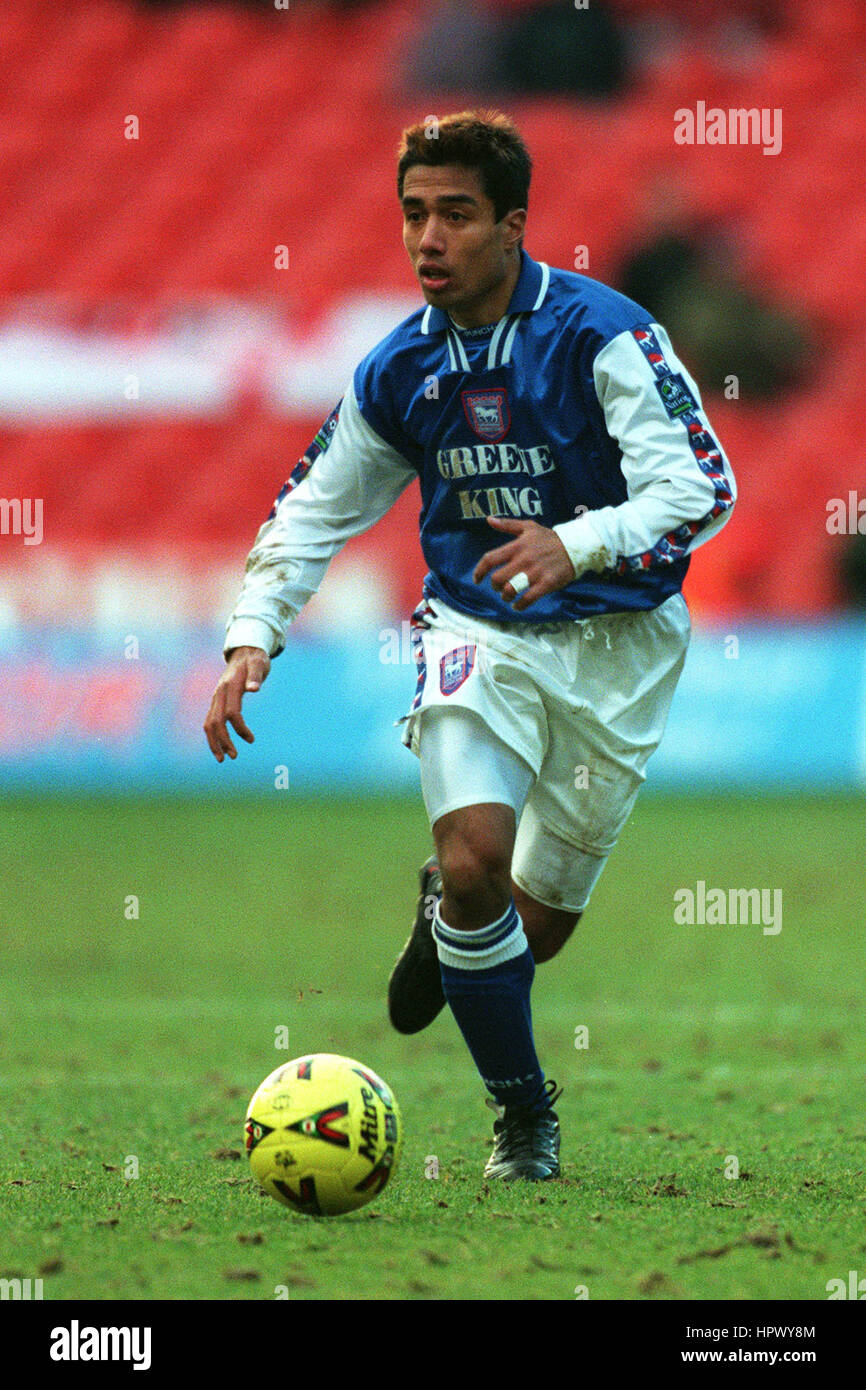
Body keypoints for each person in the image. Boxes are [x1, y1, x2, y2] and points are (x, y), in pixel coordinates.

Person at [204, 111, 736, 1182]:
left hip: (620, 646)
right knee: (474, 864)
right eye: (412, 214)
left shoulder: (603, 335)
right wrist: (250, 636)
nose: (427, 238)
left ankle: (449, 921)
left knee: (524, 929)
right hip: (475, 629)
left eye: (454, 214)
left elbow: (701, 488)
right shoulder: (398, 370)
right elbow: (313, 509)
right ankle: (522, 1115)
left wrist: (573, 543)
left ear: (512, 224)